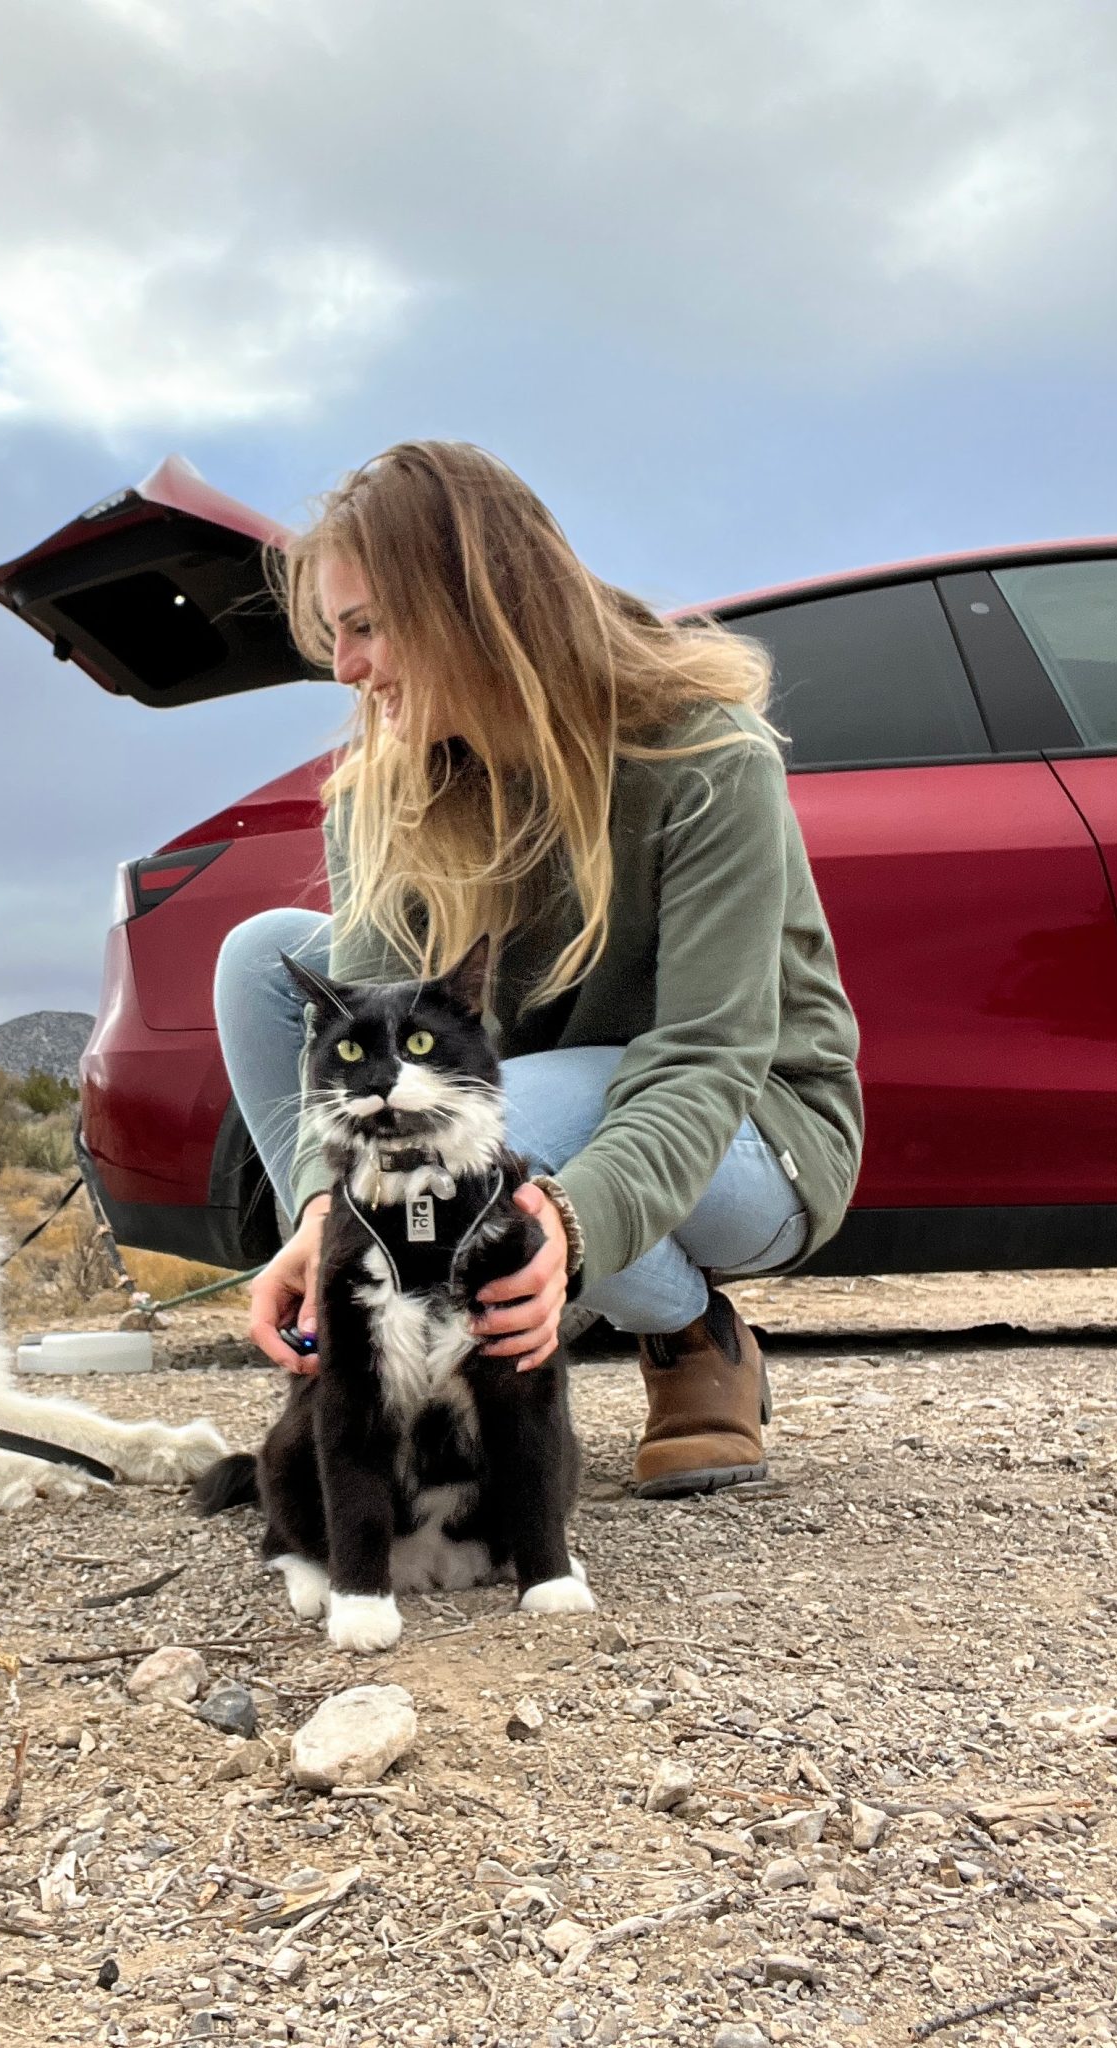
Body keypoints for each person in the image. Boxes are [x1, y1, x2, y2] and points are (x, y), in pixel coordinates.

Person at [213, 441, 863, 1497]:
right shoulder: (381, 789)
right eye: (337, 634)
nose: (345, 670)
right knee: (260, 960)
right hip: (535, 1108)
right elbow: (371, 1025)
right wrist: (327, 1218)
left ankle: (685, 1327)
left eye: (366, 626)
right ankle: (423, 1370)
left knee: (483, 1120)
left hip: (753, 1132)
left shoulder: (704, 755)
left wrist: (569, 1218)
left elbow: (705, 1056)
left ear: (473, 604)